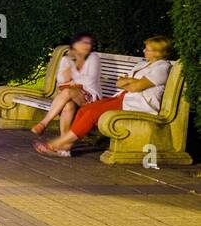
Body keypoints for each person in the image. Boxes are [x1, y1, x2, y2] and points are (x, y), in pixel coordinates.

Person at [37, 37, 174, 158]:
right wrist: (131, 82)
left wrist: (130, 82)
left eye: (148, 49)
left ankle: (59, 144)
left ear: (158, 53)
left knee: (91, 114)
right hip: (123, 97)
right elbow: (119, 82)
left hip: (139, 103)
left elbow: (136, 88)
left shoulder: (162, 68)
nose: (144, 51)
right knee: (86, 109)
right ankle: (65, 148)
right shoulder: (142, 64)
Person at [32, 32, 101, 137]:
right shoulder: (67, 58)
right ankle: (64, 148)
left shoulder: (93, 58)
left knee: (67, 91)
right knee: (67, 106)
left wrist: (72, 78)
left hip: (90, 97)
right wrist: (72, 72)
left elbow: (90, 80)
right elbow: (60, 79)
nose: (86, 45)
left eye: (88, 43)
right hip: (69, 96)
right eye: (83, 42)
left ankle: (44, 123)